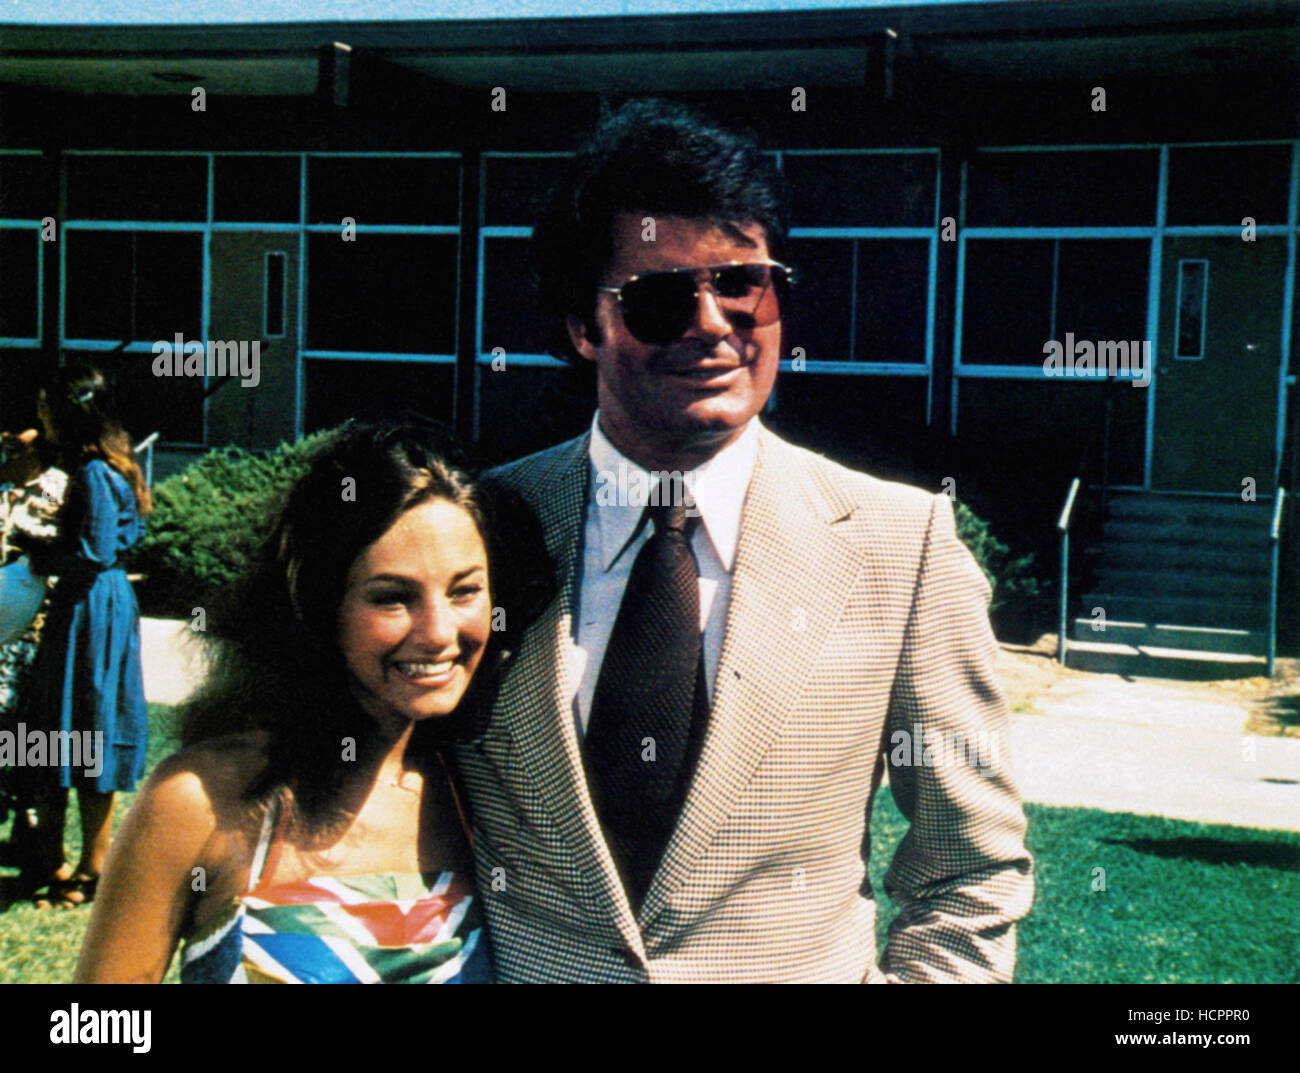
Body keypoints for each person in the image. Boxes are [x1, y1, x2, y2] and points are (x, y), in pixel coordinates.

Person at [455, 98, 1035, 983]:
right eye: (657, 298)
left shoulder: (902, 547)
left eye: (742, 283)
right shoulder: (483, 527)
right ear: (583, 327)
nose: (712, 321)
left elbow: (971, 864)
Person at [74, 417, 522, 983]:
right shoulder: (200, 802)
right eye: (392, 598)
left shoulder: (486, 800)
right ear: (318, 605)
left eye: (464, 591)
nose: (438, 632)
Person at [12, 364, 150, 909]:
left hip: (91, 609)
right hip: (101, 602)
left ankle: (91, 869)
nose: (40, 414)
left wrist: (38, 553)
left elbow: (90, 556)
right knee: (67, 726)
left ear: (68, 411)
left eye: (46, 405)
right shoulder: (115, 465)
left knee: (86, 725)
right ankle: (55, 861)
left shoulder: (93, 472)